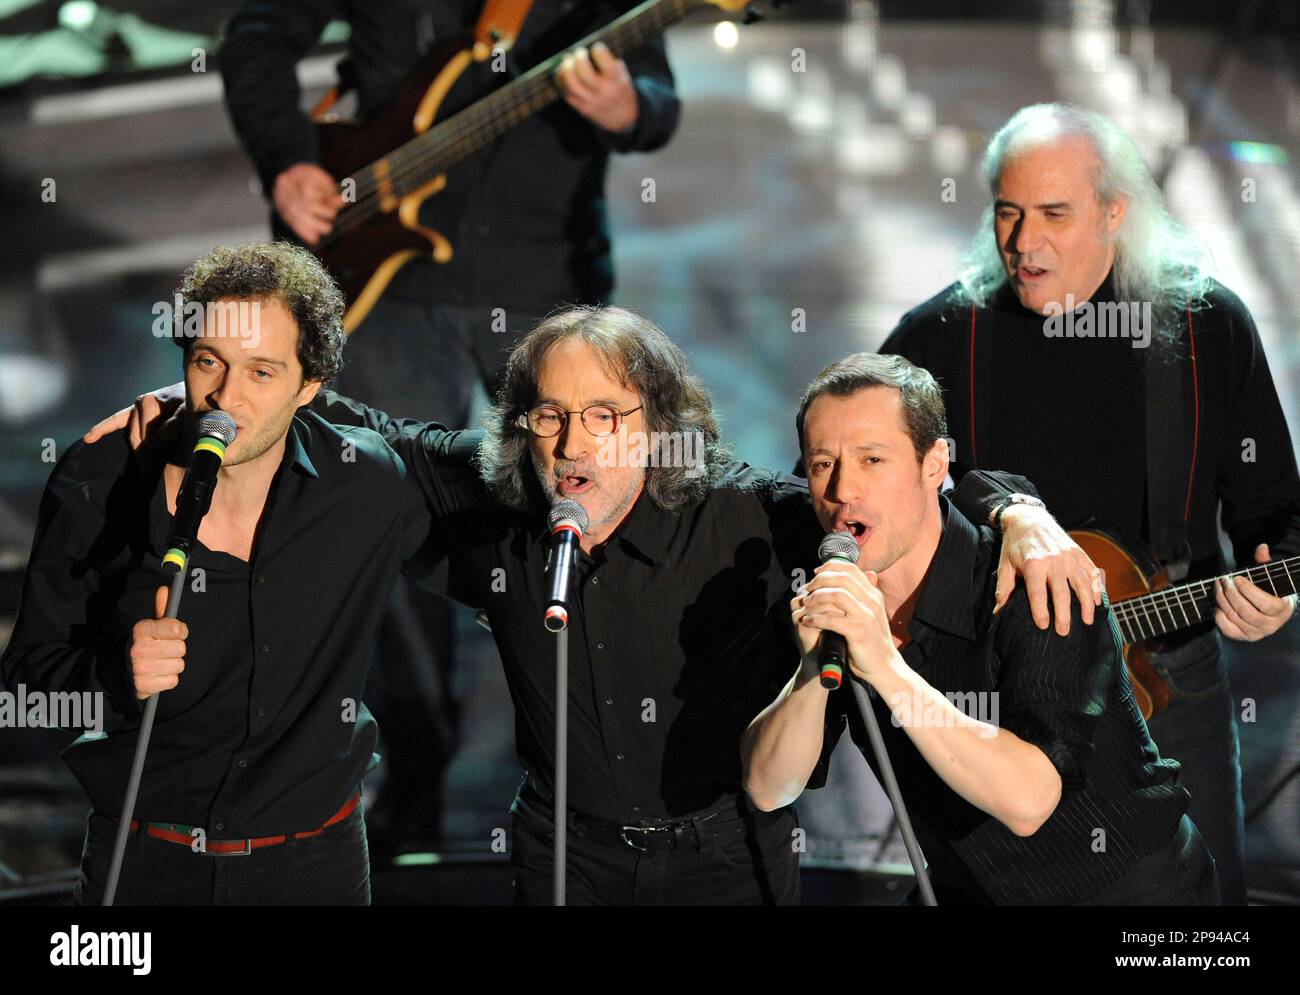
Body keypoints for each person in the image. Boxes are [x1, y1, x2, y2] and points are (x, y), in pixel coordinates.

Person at [90, 304, 1099, 905]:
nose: (574, 442)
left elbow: (880, 490)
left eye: (606, 415)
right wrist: (208, 404)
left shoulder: (747, 515)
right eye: (551, 415)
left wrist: (1016, 507)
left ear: (657, 424)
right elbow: (377, 426)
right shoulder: (502, 505)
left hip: (725, 858)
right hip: (559, 850)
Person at [218, 0, 681, 852]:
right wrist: (287, 162)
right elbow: (255, 34)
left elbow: (655, 95)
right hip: (387, 280)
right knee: (384, 525)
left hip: (545, 275)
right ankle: (414, 773)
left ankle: (592, 781)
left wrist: (628, 108)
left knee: (585, 521)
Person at [879, 103, 1300, 905]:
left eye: (1054, 214)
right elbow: (849, 479)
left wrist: (1273, 583)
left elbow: (1273, 503)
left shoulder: (1205, 325)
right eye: (1008, 213)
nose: (1024, 243)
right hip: (995, 693)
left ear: (1116, 210)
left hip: (1167, 678)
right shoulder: (941, 334)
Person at [2, 243, 430, 904]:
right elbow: (27, 696)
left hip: (314, 869)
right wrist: (114, 675)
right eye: (209, 362)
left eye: (263, 372)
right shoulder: (100, 477)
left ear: (309, 385)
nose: (226, 397)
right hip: (148, 865)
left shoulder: (363, 482)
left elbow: (481, 496)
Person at [743, 352, 1220, 905]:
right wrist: (808, 673)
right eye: (823, 464)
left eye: (873, 459)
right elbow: (769, 787)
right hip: (971, 888)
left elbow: (1030, 801)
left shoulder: (1036, 577)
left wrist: (886, 667)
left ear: (933, 464)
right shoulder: (833, 595)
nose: (843, 490)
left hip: (1127, 891)